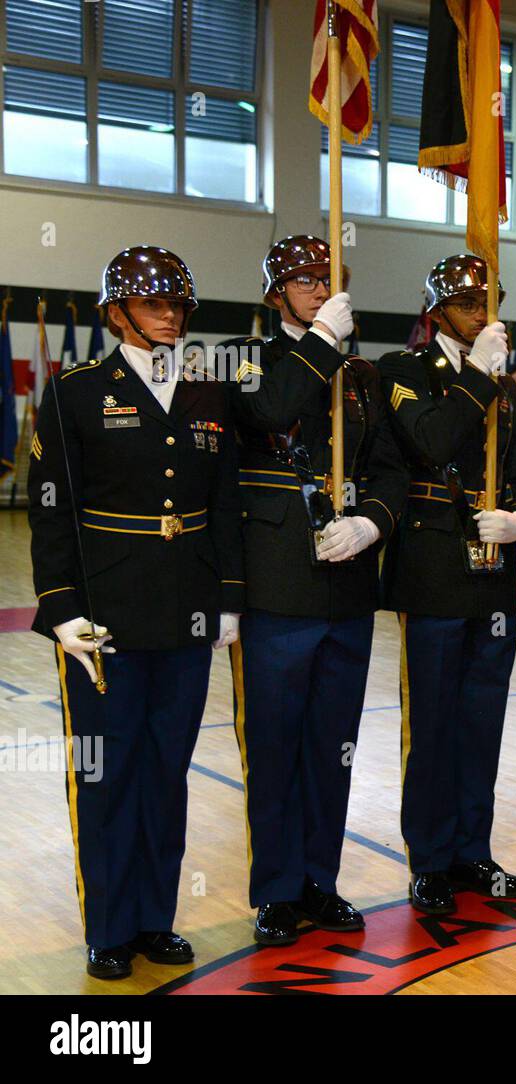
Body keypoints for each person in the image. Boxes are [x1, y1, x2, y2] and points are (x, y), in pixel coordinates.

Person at [28, 246, 243, 979]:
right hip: (106, 616)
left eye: (178, 304)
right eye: (155, 304)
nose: (171, 316)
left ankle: (155, 919)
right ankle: (109, 927)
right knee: (106, 775)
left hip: (185, 613)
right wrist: (61, 608)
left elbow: (224, 503)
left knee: (165, 772)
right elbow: (51, 507)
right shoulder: (77, 391)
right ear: (117, 313)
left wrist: (228, 600)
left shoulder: (209, 391)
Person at [225, 236, 408, 946]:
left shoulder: (362, 376)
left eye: (327, 279)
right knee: (274, 745)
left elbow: (389, 468)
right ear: (276, 294)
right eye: (302, 280)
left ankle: (318, 881)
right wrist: (323, 341)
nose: (317, 289)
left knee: (334, 745)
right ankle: (275, 890)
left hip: (348, 584)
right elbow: (270, 412)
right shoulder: (247, 357)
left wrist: (372, 523)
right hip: (277, 582)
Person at [374, 255, 516, 915]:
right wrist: (478, 377)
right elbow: (432, 441)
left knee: (482, 721)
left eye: (487, 302)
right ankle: (431, 860)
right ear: (437, 311)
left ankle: (473, 850)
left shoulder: (508, 385)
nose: (479, 313)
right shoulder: (403, 370)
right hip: (434, 568)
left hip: (492, 572)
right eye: (466, 303)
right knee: (433, 724)